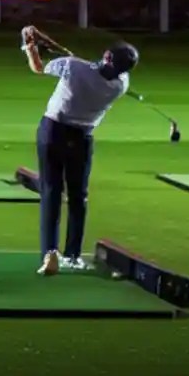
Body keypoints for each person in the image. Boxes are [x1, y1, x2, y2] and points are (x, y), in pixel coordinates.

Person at [22, 26, 138, 276]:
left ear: (107, 55)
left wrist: (31, 46)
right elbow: (95, 68)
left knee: (51, 192)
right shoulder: (121, 85)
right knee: (78, 197)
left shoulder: (73, 66)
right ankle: (73, 256)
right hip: (82, 137)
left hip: (53, 131)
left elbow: (39, 68)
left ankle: (49, 253)